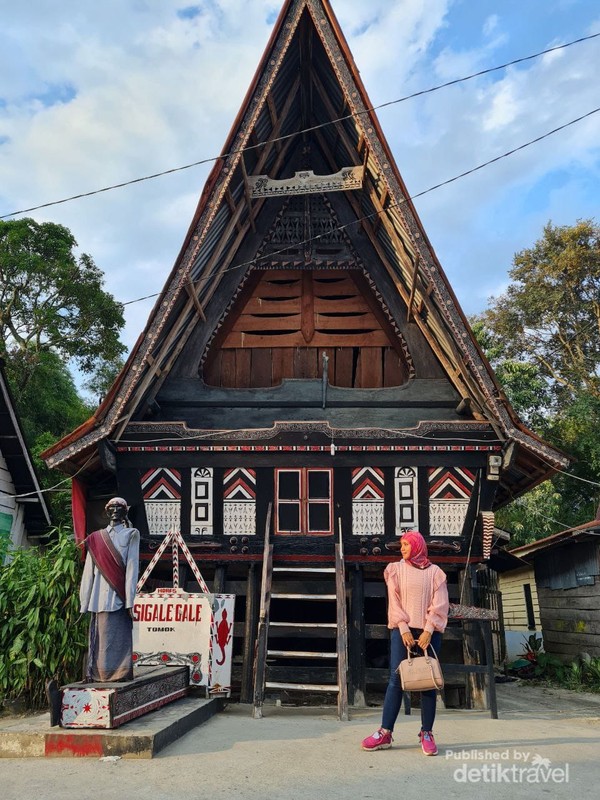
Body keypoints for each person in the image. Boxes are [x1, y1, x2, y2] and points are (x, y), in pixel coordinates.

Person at [361, 530, 449, 756]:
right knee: (395, 679)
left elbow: (440, 605)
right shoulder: (396, 570)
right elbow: (394, 603)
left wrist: (429, 630)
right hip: (403, 632)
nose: (402, 549)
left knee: (427, 681)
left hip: (429, 632)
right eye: (401, 545)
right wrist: (403, 628)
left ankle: (427, 732)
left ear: (417, 546)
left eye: (406, 545)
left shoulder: (436, 574)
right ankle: (385, 732)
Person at [79, 497, 140, 682]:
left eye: (119, 507)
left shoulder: (131, 534)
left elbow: (132, 568)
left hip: (118, 596)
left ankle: (119, 675)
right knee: (99, 639)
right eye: (112, 507)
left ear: (125, 511)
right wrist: (84, 603)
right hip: (98, 597)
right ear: (106, 511)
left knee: (118, 638)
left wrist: (130, 602)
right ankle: (98, 675)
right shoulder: (95, 538)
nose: (115, 510)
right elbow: (88, 572)